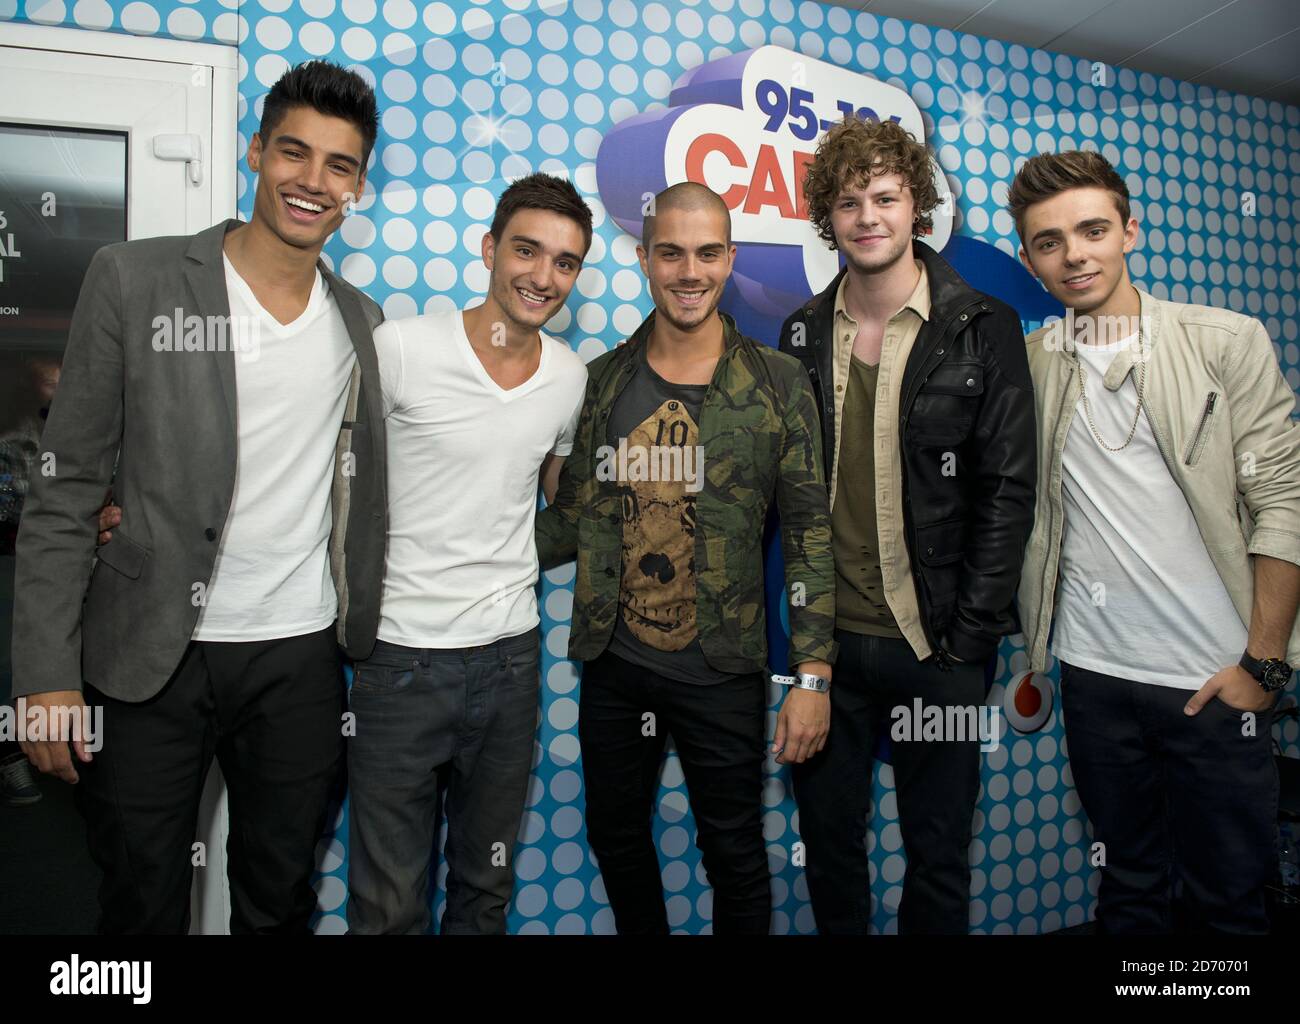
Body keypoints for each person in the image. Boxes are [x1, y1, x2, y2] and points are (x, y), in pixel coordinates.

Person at [17, 60, 387, 933]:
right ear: (256, 153)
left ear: (359, 185)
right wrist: (43, 677)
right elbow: (65, 483)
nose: (313, 180)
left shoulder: (361, 324)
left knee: (278, 895)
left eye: (339, 165)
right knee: (139, 897)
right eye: (294, 153)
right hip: (148, 655)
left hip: (296, 655)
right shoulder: (133, 279)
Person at [1009, 149, 1300, 933]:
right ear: (1030, 260)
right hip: (1096, 679)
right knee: (1130, 892)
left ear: (1130, 230)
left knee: (1228, 905)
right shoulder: (1030, 366)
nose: (1075, 254)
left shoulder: (1224, 342)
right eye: (1048, 242)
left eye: (1093, 229)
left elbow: (1284, 501)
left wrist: (1264, 666)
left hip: (1215, 680)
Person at [535, 182, 836, 934]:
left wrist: (813, 675)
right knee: (615, 833)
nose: (689, 271)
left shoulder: (779, 384)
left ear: (730, 260)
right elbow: (568, 520)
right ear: (644, 259)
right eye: (670, 252)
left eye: (707, 253)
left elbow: (807, 535)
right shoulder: (601, 381)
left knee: (734, 853)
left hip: (723, 668)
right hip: (614, 663)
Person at [779, 116, 1036, 934]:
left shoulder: (982, 323)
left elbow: (1007, 490)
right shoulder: (800, 332)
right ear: (828, 216)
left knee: (940, 852)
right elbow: (790, 495)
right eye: (849, 202)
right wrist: (806, 656)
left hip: (941, 645)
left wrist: (971, 643)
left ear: (915, 205)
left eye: (886, 197)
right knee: (829, 844)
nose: (867, 217)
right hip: (828, 650)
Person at [346, 174, 590, 934]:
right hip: (400, 662)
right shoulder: (403, 348)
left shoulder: (568, 377)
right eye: (526, 250)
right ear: (490, 249)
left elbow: (556, 500)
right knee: (388, 903)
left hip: (511, 662)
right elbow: (335, 476)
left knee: (484, 889)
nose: (543, 277)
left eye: (564, 262)